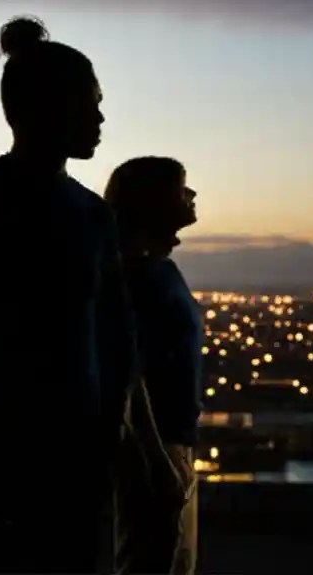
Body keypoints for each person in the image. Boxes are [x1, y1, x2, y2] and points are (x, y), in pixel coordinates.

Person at [0, 17, 135, 573]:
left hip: (33, 449)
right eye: (90, 103)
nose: (100, 118)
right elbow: (113, 338)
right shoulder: (82, 214)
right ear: (44, 107)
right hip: (16, 450)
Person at [106, 157, 202, 575]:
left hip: (172, 445)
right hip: (156, 449)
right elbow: (130, 373)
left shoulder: (158, 271)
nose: (192, 195)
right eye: (182, 187)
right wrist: (156, 459)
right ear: (154, 201)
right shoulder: (138, 277)